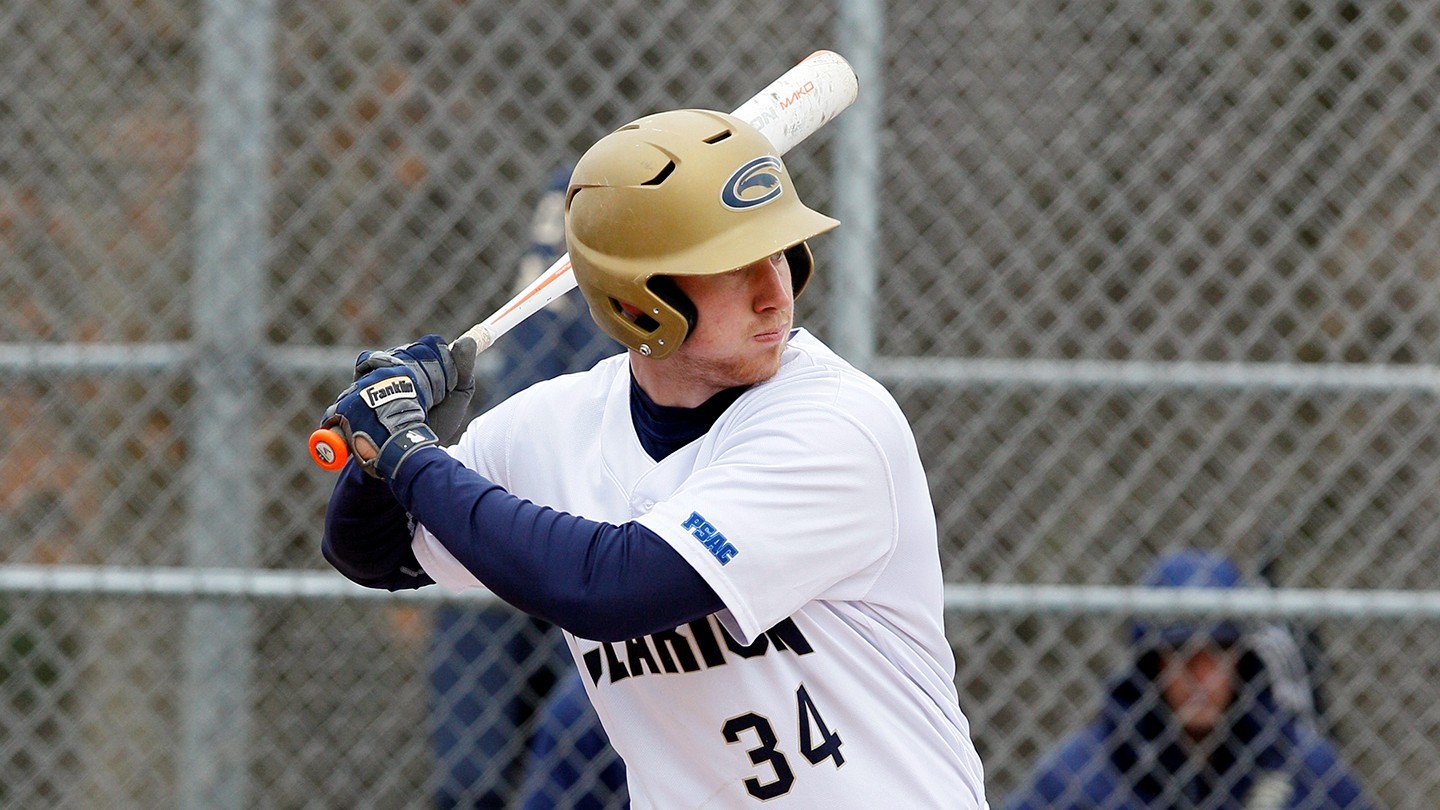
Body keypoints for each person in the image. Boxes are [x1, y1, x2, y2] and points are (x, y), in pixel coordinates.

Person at [318, 108, 988, 807]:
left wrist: (409, 455)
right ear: (640, 300)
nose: (775, 292)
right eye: (735, 267)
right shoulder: (554, 424)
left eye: (781, 253)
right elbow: (374, 553)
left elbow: (610, 588)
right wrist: (378, 454)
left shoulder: (836, 423)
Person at [426, 166, 624, 808]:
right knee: (482, 694)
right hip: (540, 520)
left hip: (598, 543)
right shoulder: (585, 196)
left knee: (587, 720)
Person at [1003, 549, 1373, 810]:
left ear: (1241, 663)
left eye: (1217, 654)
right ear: (1152, 665)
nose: (1200, 677)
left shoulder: (1296, 763)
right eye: (1181, 655)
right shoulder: (1083, 775)